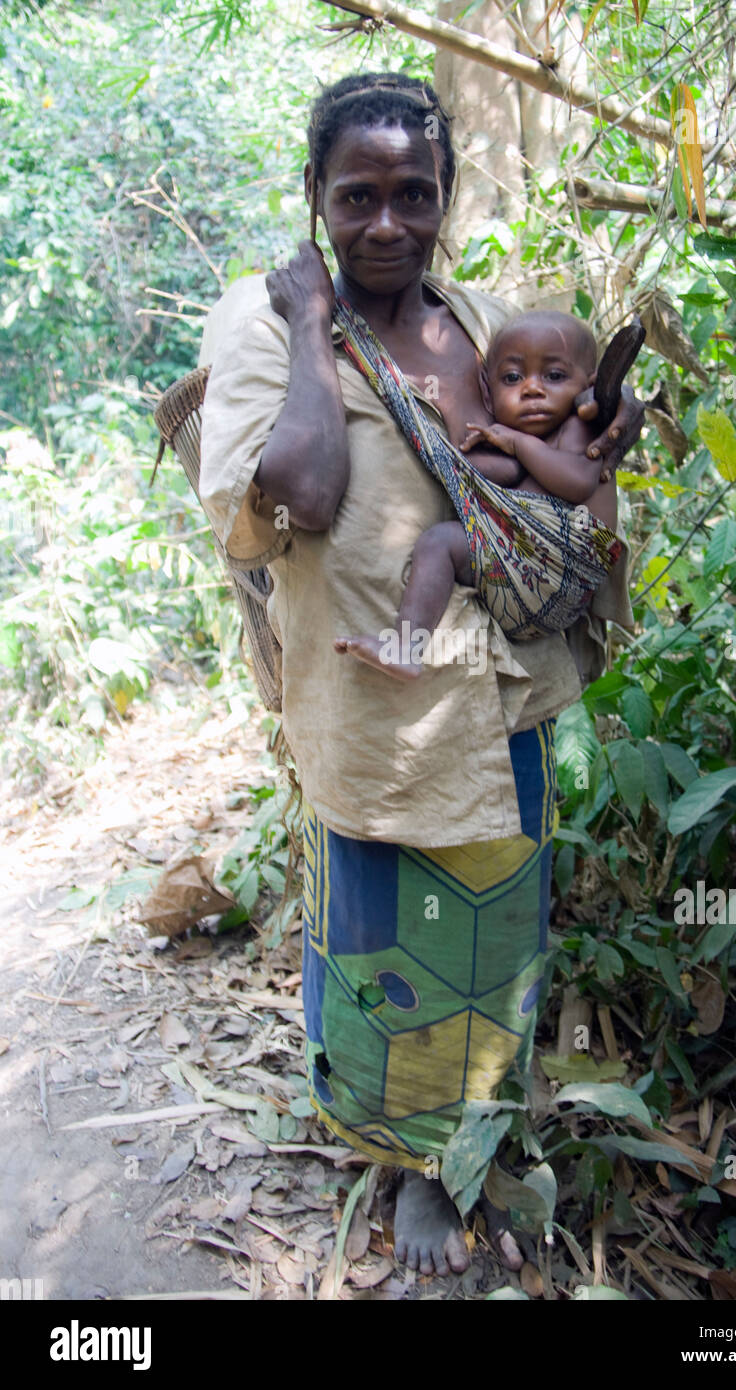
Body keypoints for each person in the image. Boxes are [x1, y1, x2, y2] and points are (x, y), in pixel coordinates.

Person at [198, 71, 642, 1278]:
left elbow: (549, 455)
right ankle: (407, 1169)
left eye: (413, 193)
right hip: (374, 698)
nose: (385, 222)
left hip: (497, 688)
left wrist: (592, 444)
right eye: (356, 196)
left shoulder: (479, 314)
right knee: (391, 939)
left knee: (496, 935)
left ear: (446, 196)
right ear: (315, 198)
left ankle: (476, 1137)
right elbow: (301, 493)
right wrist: (305, 326)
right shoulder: (260, 318)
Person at [334, 309, 623, 679]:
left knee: (442, 540)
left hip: (562, 571)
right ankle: (406, 646)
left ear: (589, 387)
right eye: (513, 378)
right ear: (488, 392)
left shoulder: (580, 427)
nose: (532, 389)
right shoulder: (514, 441)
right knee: (440, 544)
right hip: (517, 579)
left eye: (554, 376)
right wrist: (453, 454)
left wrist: (518, 445)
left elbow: (578, 482)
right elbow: (493, 487)